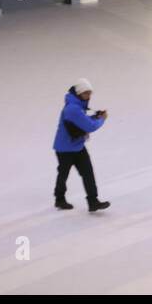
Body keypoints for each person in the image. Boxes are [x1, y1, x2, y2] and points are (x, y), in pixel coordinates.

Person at [52, 78, 111, 212]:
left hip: (77, 146)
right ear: (78, 93)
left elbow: (83, 120)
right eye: (86, 93)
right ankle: (59, 199)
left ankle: (93, 201)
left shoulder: (78, 105)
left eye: (90, 93)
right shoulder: (73, 109)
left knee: (87, 172)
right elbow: (89, 126)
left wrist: (95, 116)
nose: (88, 96)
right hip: (64, 149)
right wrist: (101, 119)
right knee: (63, 174)